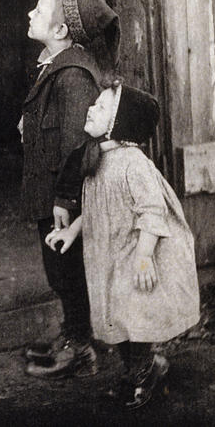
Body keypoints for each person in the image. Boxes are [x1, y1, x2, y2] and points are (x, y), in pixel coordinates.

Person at [47, 79, 200, 410]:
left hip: (132, 254)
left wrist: (144, 256)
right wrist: (71, 231)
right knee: (115, 319)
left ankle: (143, 375)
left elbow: (153, 210)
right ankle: (141, 370)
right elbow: (95, 208)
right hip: (108, 256)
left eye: (100, 107)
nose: (91, 108)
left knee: (134, 319)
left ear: (119, 123)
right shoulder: (98, 161)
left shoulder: (133, 164)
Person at [20, 0, 120, 379]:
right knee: (60, 270)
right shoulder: (56, 67)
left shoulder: (74, 76)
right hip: (52, 192)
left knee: (68, 272)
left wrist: (66, 200)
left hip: (62, 197)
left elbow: (78, 147)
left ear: (61, 31)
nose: (30, 13)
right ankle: (73, 334)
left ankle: (79, 346)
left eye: (39, 10)